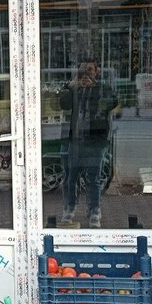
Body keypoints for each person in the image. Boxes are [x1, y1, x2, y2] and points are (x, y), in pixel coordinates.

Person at [58, 56, 118, 227]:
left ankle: (94, 212)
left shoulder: (103, 89)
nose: (86, 74)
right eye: (82, 70)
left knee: (94, 178)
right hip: (75, 140)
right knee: (71, 177)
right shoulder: (74, 88)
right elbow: (63, 105)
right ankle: (69, 208)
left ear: (97, 72)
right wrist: (69, 87)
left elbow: (112, 103)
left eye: (89, 70)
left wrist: (95, 89)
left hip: (95, 140)